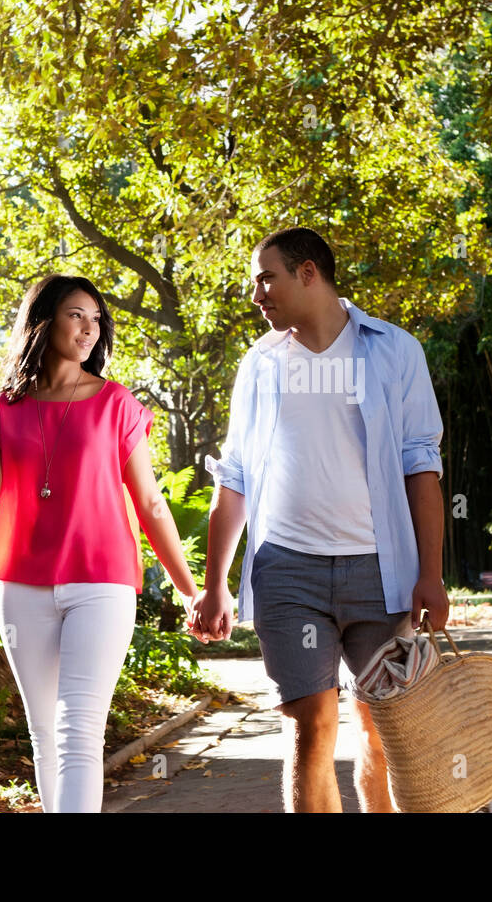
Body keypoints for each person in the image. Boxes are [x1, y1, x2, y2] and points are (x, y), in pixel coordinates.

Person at [194, 226, 449, 812]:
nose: (255, 292)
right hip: (286, 572)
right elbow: (233, 477)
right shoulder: (260, 364)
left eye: (266, 277)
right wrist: (214, 586)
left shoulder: (393, 350)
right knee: (310, 727)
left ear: (308, 273)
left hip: (379, 571)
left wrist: (429, 574)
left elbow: (421, 466)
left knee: (383, 728)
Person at [0, 274, 203, 813]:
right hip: (21, 585)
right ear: (44, 321)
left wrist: (190, 592)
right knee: (44, 732)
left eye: (96, 318)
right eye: (76, 315)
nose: (89, 328)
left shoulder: (117, 403)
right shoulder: (4, 409)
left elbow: (151, 504)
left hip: (102, 582)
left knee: (78, 729)